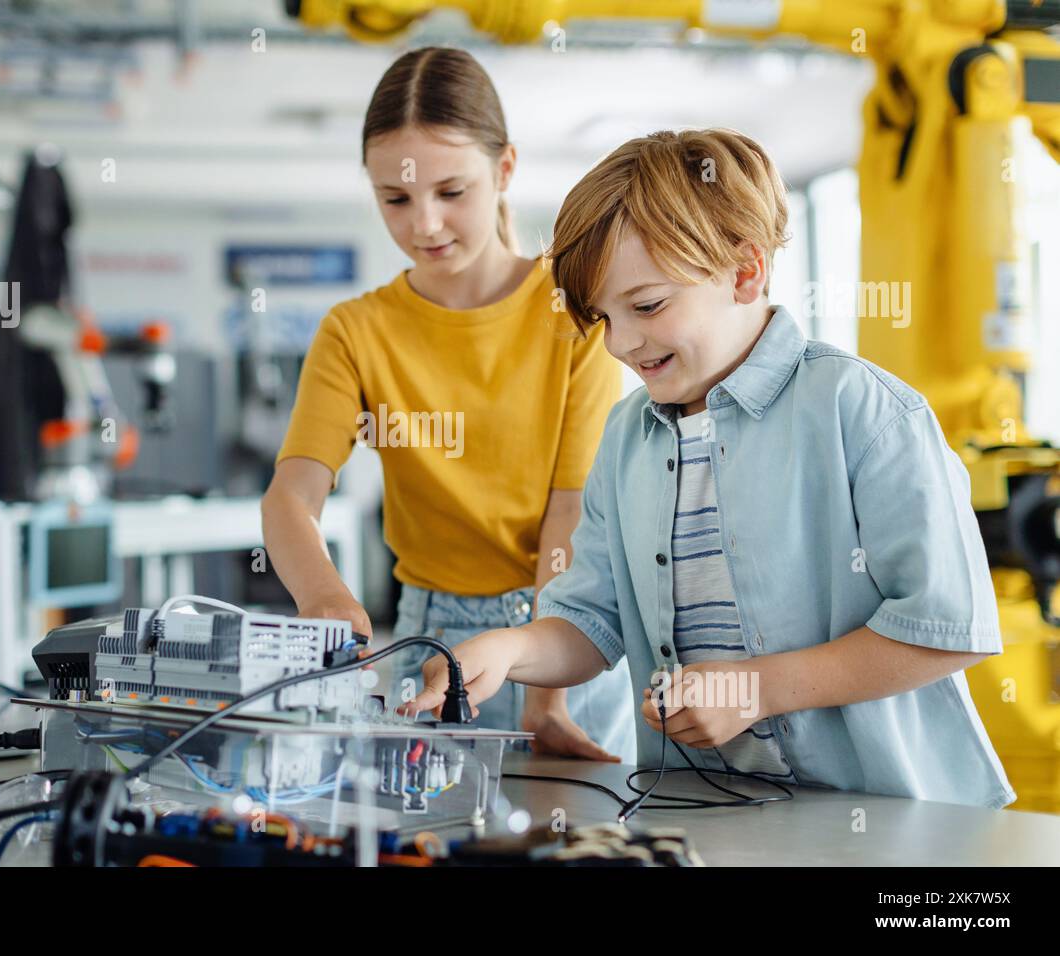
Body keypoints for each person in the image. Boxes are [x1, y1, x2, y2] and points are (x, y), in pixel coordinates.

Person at [412, 128, 1015, 808]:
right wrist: (506, 650)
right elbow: (591, 620)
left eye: (645, 306)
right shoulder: (626, 438)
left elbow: (945, 628)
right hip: (709, 810)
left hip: (893, 822)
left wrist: (757, 688)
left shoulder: (862, 411)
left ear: (746, 270)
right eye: (603, 318)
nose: (622, 343)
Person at [262, 47, 634, 760]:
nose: (425, 224)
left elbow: (571, 509)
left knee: (580, 841)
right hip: (427, 630)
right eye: (395, 199)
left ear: (504, 171)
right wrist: (322, 598)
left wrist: (545, 695)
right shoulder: (356, 330)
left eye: (451, 192)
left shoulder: (574, 306)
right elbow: (291, 495)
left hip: (563, 632)